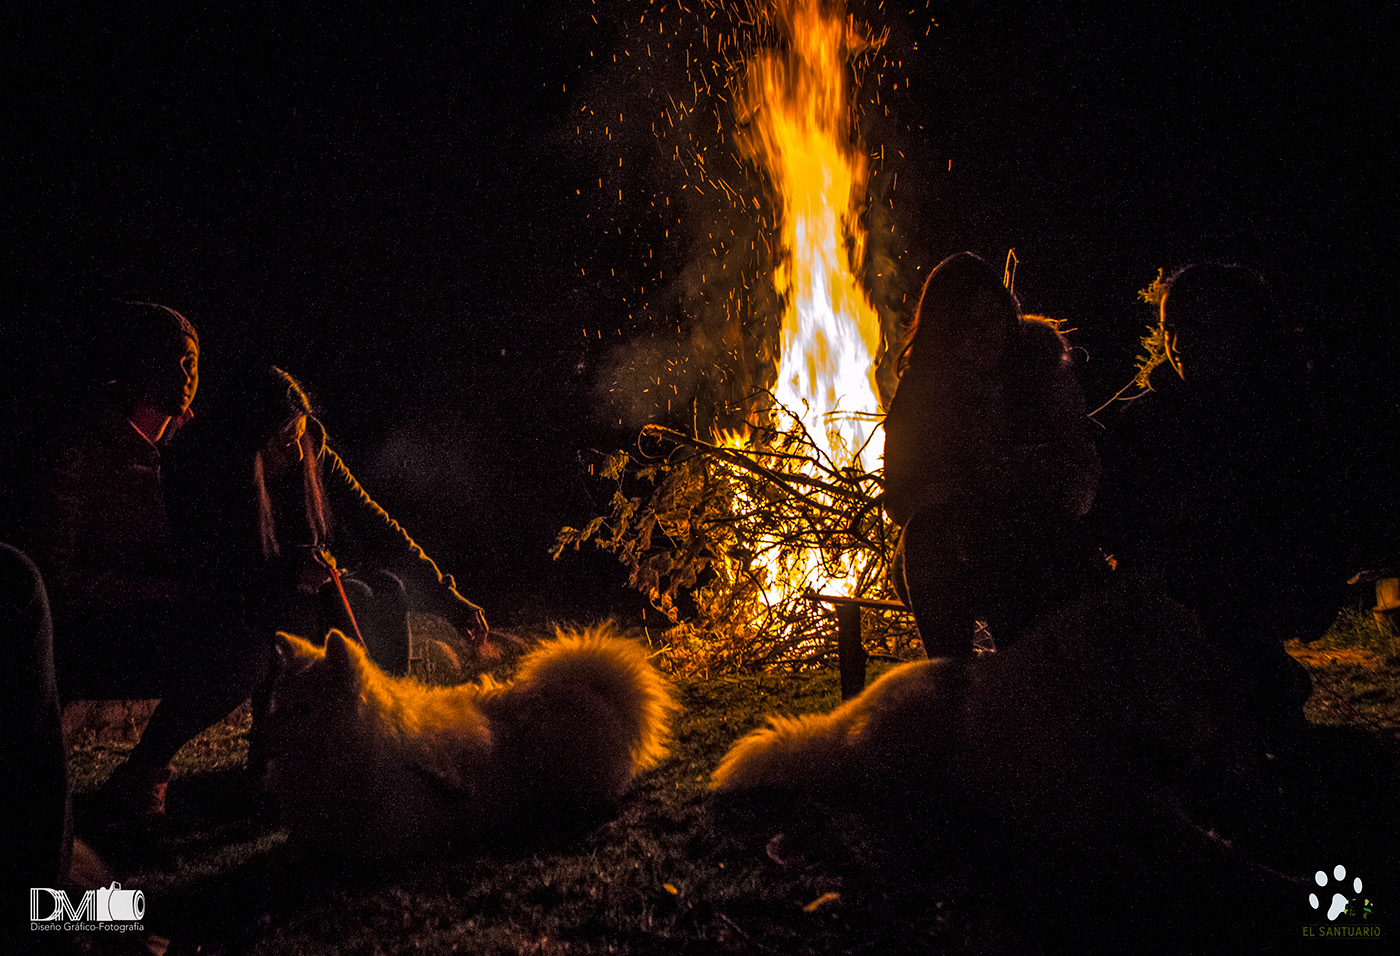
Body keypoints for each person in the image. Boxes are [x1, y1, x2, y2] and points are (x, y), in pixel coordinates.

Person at [28, 301, 262, 819]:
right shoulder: (82, 447)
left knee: (257, 631)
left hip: (157, 617)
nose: (187, 374)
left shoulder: (185, 452)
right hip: (91, 631)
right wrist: (162, 592)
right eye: (175, 359)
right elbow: (56, 578)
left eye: (194, 363)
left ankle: (155, 770)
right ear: (138, 363)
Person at [1094, 263, 1341, 740]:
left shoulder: (1282, 414)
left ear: (1241, 326)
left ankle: (1257, 691)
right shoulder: (1147, 419)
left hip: (1257, 589)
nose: (1179, 342)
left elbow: (1316, 514)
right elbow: (1112, 518)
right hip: (1168, 595)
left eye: (1197, 325)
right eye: (1171, 329)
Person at [168, 366, 488, 684]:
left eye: (298, 435)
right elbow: (214, 564)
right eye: (281, 443)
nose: (295, 452)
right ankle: (333, 713)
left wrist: (448, 597)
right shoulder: (211, 472)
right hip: (242, 601)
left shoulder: (311, 452)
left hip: (302, 590)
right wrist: (290, 569)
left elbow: (378, 526)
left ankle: (389, 707)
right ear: (249, 442)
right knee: (333, 602)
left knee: (385, 586)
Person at [882, 252, 1102, 656]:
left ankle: (1027, 673)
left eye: (989, 319)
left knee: (1011, 547)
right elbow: (899, 497)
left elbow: (1082, 475)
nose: (980, 335)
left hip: (1040, 538)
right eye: (963, 326)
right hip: (955, 548)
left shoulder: (1039, 364)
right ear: (942, 332)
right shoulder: (923, 388)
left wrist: (1033, 477)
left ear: (1006, 313)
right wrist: (959, 486)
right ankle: (952, 681)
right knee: (930, 540)